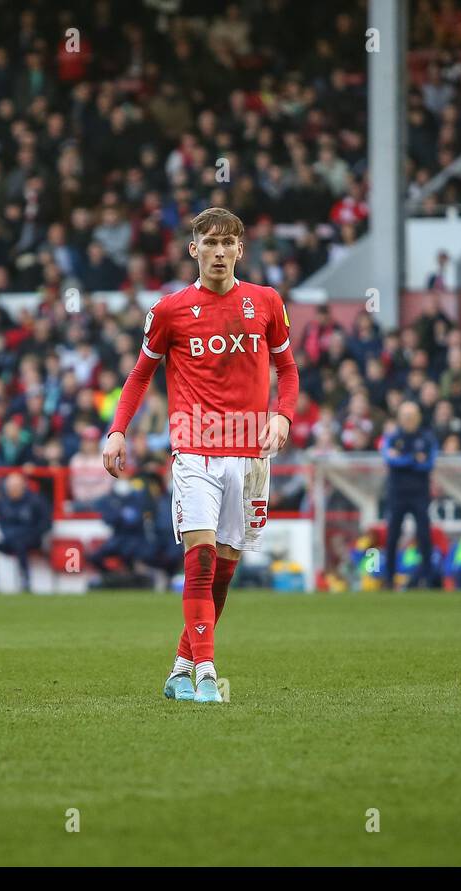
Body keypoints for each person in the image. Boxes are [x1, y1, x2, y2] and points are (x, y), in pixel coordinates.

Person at [102, 207, 299, 704]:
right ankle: (206, 673)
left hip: (251, 454)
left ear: (240, 249)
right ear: (193, 249)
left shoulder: (266, 302)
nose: (217, 252)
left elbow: (288, 369)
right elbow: (141, 373)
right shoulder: (169, 310)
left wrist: (284, 415)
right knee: (203, 558)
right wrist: (118, 431)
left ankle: (179, 667)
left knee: (227, 568)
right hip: (195, 451)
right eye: (208, 243)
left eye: (226, 243)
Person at [381, 401, 439, 590]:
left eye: (412, 416)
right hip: (397, 493)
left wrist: (403, 458)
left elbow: (429, 464)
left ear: (418, 417)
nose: (408, 419)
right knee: (392, 536)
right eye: (405, 416)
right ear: (399, 418)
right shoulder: (392, 437)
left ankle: (428, 579)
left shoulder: (427, 438)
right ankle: (389, 579)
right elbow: (389, 459)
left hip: (419, 494)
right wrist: (413, 458)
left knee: (424, 536)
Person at [0, 472, 52, 591]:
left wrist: (34, 534)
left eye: (16, 486)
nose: (13, 490)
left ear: (23, 486)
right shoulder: (2, 503)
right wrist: (9, 535)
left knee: (20, 543)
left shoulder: (36, 500)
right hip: (10, 539)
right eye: (10, 487)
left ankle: (25, 581)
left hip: (32, 539)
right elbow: (1, 524)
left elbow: (46, 523)